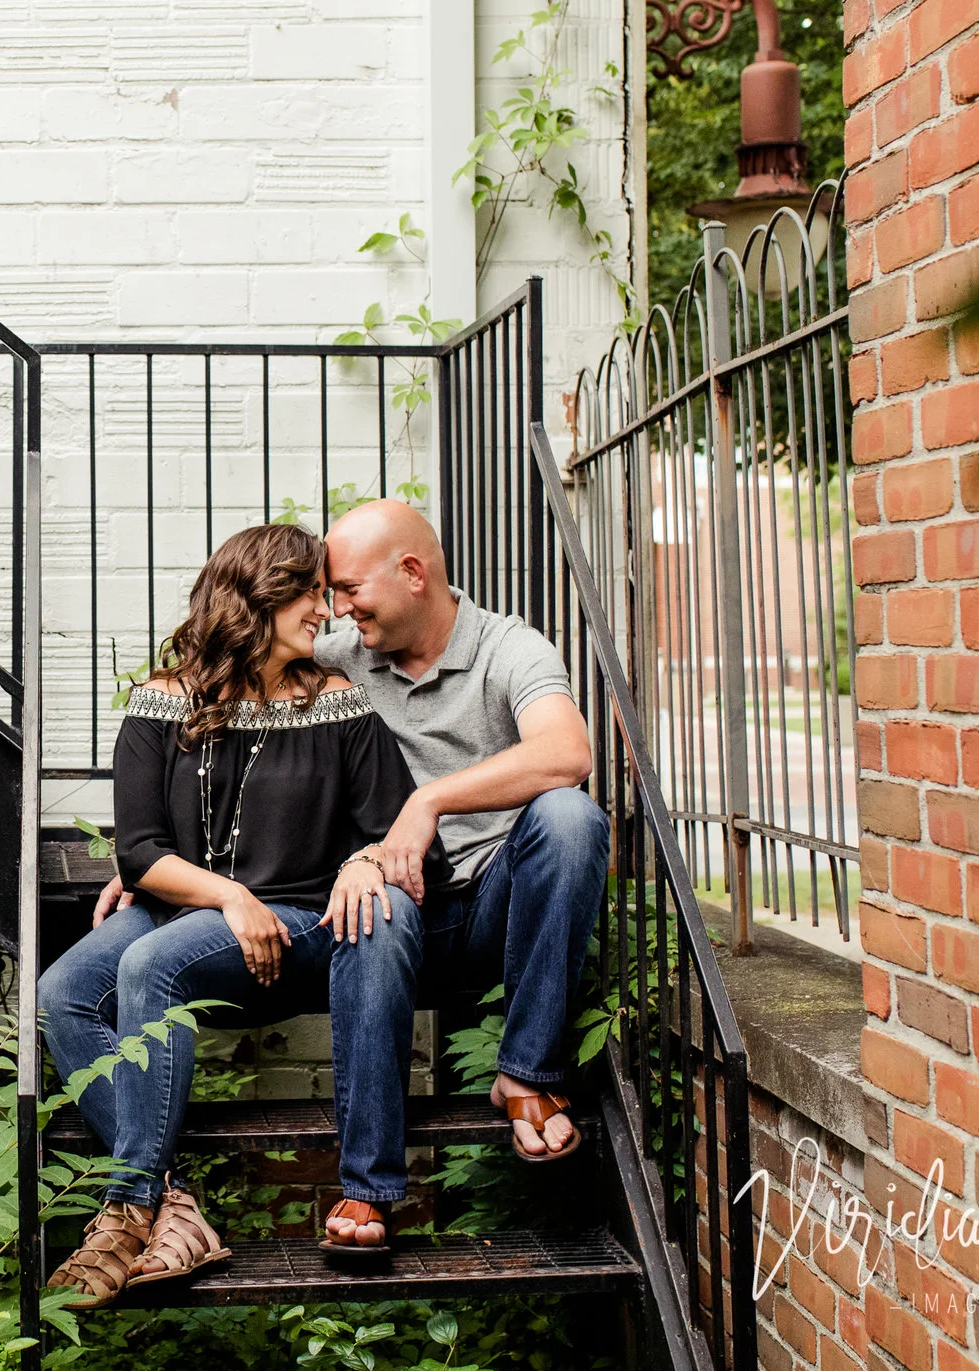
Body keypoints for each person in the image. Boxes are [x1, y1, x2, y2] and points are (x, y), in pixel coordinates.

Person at [39, 524, 421, 1306]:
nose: (325, 609)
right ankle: (174, 1202)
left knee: (153, 962)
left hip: (305, 923)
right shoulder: (162, 700)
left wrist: (356, 861)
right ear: (259, 593)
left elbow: (395, 832)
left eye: (326, 590)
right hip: (189, 906)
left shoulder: (339, 704)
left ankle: (130, 1206)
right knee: (65, 991)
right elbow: (141, 852)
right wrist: (229, 894)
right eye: (311, 590)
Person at [308, 499, 607, 1250]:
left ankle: (527, 1071)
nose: (338, 610)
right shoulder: (347, 654)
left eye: (348, 589)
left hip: (500, 907)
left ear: (413, 572)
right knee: (370, 902)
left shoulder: (511, 648)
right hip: (404, 904)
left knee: (572, 817)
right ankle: (368, 1189)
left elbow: (569, 753)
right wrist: (146, 855)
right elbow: (219, 667)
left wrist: (430, 798)